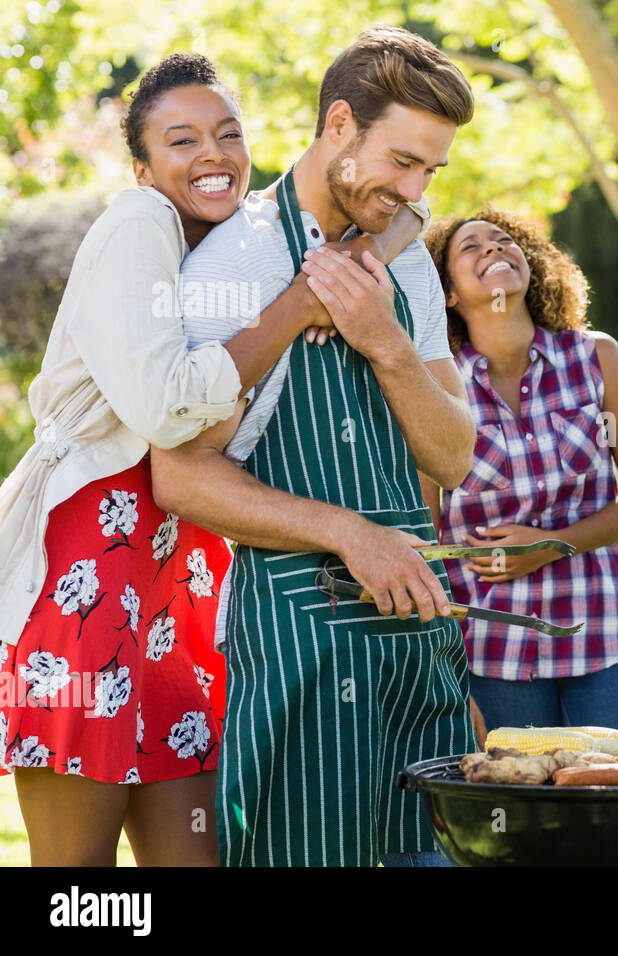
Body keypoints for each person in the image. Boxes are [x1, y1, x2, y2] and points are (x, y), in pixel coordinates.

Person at [0, 53, 426, 867]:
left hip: (182, 579)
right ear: (142, 166)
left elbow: (389, 226)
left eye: (228, 134)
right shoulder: (138, 223)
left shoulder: (234, 247)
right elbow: (163, 406)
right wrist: (303, 302)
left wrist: (383, 228)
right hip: (94, 572)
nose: (213, 155)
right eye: (182, 139)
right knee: (77, 881)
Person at [149, 26, 483, 868]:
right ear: (339, 124)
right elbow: (182, 475)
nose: (416, 191)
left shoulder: (404, 258)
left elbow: (452, 458)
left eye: (431, 172)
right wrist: (350, 533)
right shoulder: (238, 263)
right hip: (303, 646)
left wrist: (388, 344)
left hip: (417, 644)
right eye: (402, 161)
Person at [422, 208, 618, 746]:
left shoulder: (596, 357)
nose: (492, 249)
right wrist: (447, 674)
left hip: (604, 635)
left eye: (503, 240)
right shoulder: (436, 389)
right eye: (471, 247)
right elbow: (427, 539)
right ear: (446, 294)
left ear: (530, 264)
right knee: (517, 824)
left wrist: (552, 547)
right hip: (490, 648)